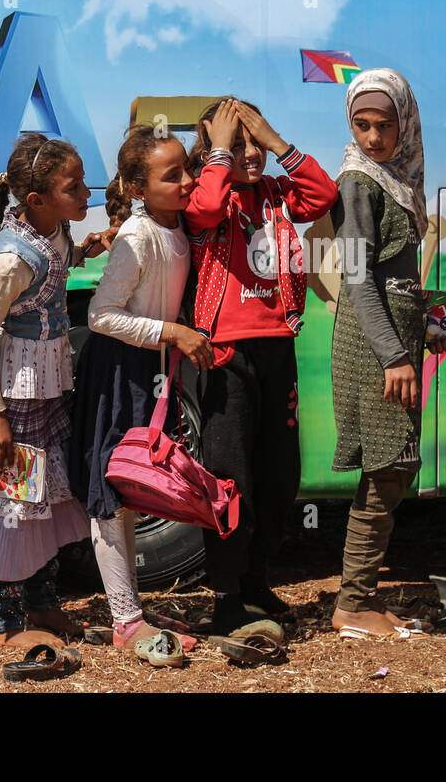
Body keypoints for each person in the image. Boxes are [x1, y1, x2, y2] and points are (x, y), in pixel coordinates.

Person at [0, 134, 103, 649]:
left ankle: (43, 607)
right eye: (73, 188)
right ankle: (3, 624)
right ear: (36, 200)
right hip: (11, 395)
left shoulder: (55, 232)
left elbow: (48, 281)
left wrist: (95, 244)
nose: (86, 196)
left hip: (46, 387)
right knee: (6, 501)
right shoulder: (11, 258)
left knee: (40, 499)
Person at [183, 98, 338, 635]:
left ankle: (255, 581)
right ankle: (226, 594)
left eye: (256, 143)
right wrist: (221, 151)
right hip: (227, 354)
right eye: (237, 143)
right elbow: (200, 210)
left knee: (278, 474)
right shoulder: (214, 196)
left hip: (277, 348)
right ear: (212, 153)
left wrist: (275, 141)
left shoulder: (275, 194)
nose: (251, 154)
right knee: (230, 477)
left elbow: (323, 195)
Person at [328, 68, 446, 637]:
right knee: (388, 467)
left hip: (396, 338)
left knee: (396, 467)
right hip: (372, 344)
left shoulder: (393, 177)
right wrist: (393, 356)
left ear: (406, 125)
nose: (374, 137)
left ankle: (360, 599)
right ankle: (354, 604)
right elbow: (357, 280)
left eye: (386, 125)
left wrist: (433, 324)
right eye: (363, 124)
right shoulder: (358, 182)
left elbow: (395, 275)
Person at [69, 125, 209, 651]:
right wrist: (171, 332)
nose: (188, 182)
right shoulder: (138, 235)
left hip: (149, 371)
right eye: (172, 176)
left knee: (130, 491)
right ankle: (126, 621)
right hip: (119, 374)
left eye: (187, 170)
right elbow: (103, 314)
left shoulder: (173, 228)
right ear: (136, 188)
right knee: (112, 499)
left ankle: (132, 613)